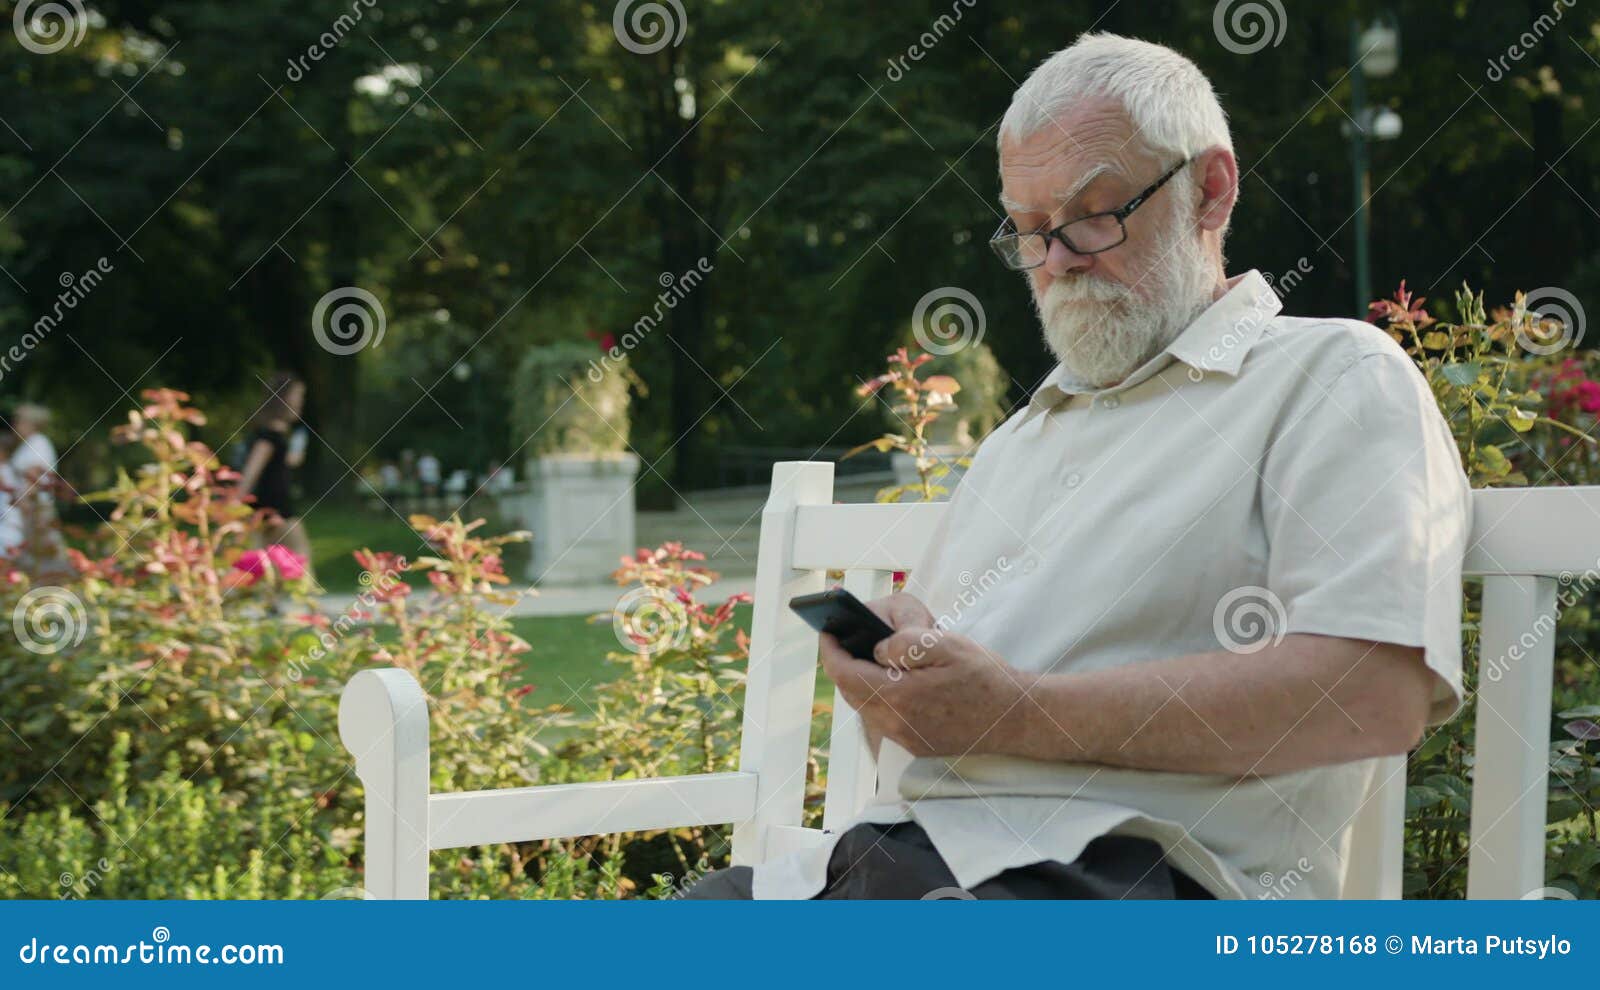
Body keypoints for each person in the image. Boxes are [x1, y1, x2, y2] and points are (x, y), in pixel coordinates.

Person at [684, 34, 1469, 900]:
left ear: (1211, 189)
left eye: (1093, 214)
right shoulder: (1022, 438)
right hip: (883, 870)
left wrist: (1016, 711)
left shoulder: (1331, 376)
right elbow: (932, 751)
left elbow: (1375, 694)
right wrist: (904, 680)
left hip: (1118, 887)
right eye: (1028, 231)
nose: (1057, 261)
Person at [236, 373, 313, 574]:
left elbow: (276, 469)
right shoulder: (268, 437)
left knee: (264, 565)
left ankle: (273, 600)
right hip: (272, 508)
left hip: (270, 508)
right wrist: (234, 502)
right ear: (283, 399)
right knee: (300, 557)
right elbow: (252, 471)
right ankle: (308, 602)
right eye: (298, 396)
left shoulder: (278, 435)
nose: (301, 402)